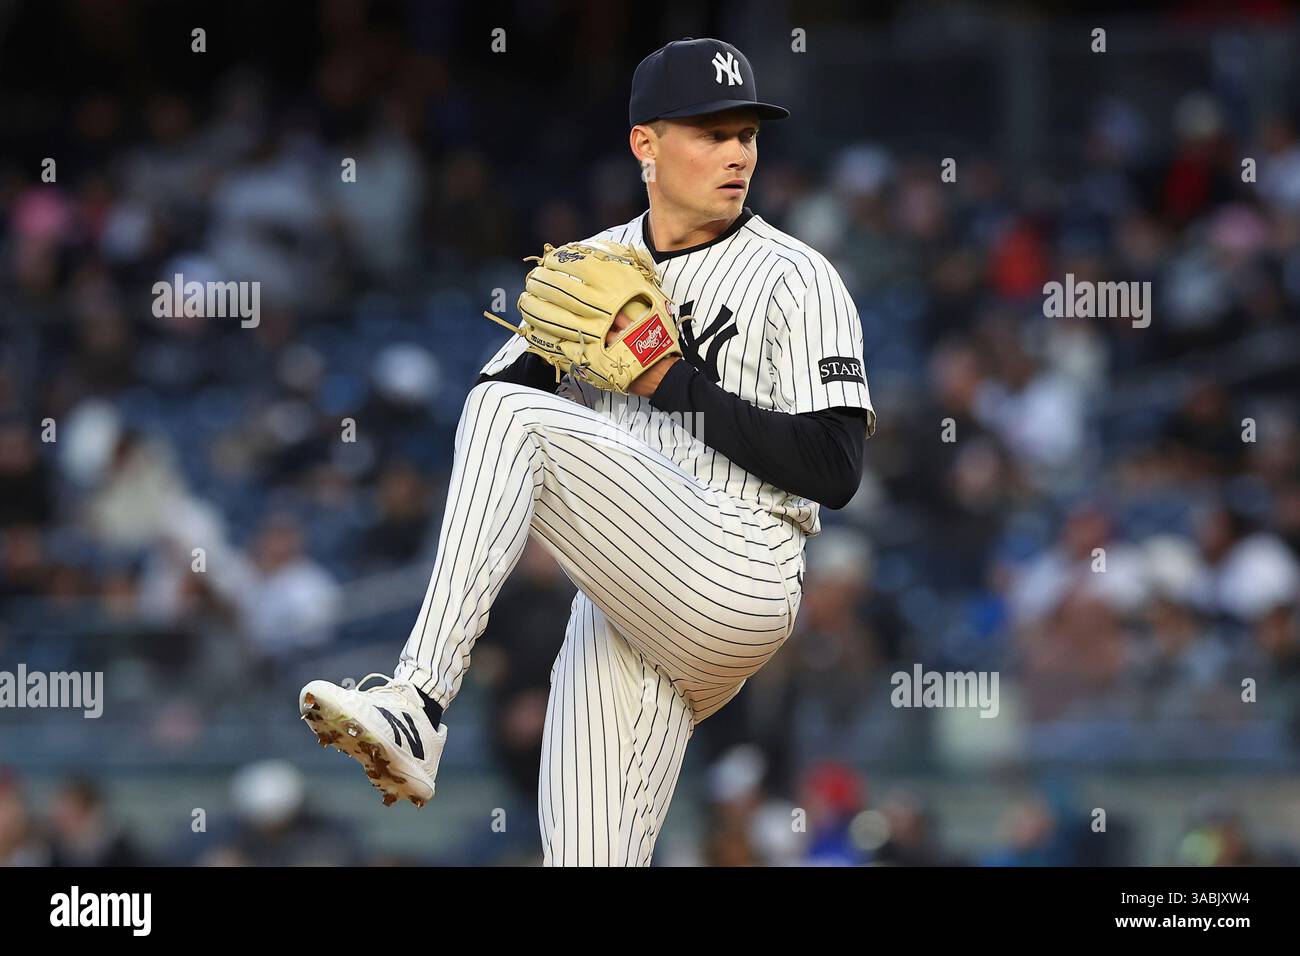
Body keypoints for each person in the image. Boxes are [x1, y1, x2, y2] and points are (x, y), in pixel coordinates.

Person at [299, 38, 875, 866]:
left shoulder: (798, 276)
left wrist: (668, 381)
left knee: (513, 415)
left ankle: (419, 699)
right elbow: (489, 405)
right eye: (711, 132)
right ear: (645, 143)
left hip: (742, 566)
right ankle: (418, 704)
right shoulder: (593, 269)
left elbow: (837, 468)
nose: (738, 152)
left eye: (746, 133)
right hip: (628, 592)